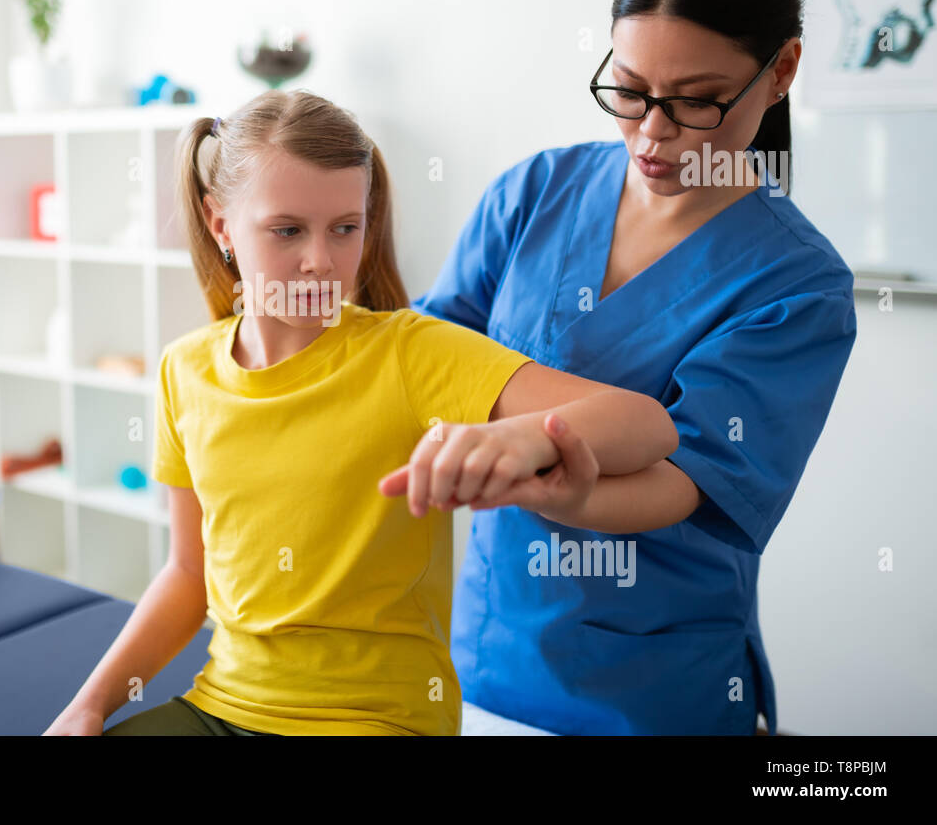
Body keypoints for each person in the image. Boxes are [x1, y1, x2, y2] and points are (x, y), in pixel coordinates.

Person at [42, 89, 679, 735]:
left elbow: (648, 427)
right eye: (287, 230)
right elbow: (186, 575)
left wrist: (524, 439)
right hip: (223, 707)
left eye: (345, 228)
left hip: (376, 719)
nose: (320, 259)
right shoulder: (185, 371)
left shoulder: (409, 353)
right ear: (220, 225)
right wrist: (90, 705)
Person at [409, 0, 858, 735]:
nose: (652, 132)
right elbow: (426, 361)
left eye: (696, 101)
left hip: (651, 689)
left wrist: (570, 489)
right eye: (629, 88)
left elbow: (694, 482)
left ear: (781, 72)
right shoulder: (533, 192)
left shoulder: (796, 284)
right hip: (481, 658)